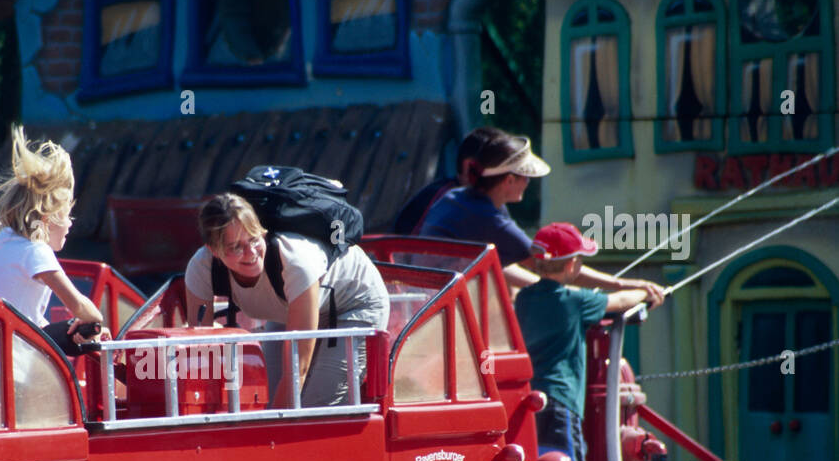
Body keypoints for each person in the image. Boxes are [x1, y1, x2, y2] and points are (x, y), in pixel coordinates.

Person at [514, 222, 664, 461]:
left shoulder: (524, 299)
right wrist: (644, 290)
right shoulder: (573, 300)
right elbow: (618, 303)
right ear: (572, 265)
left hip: (530, 403)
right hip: (563, 402)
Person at [184, 193, 389, 408]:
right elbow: (201, 352)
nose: (251, 253)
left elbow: (296, 370)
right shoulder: (201, 268)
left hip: (352, 305)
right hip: (289, 308)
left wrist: (271, 438)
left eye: (254, 239)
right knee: (263, 399)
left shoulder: (295, 262)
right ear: (213, 251)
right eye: (236, 247)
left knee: (317, 409)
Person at [419, 132, 666, 303]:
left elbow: (510, 266)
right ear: (509, 180)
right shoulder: (489, 218)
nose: (529, 183)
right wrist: (625, 285)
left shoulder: (463, 198)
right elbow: (554, 265)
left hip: (434, 296)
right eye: (525, 176)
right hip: (443, 302)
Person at [0, 125, 105, 372]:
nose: (70, 225)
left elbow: (28, 322)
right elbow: (81, 306)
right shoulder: (36, 250)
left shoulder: (1, 242)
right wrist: (94, 322)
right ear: (47, 218)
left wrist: (70, 328)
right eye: (67, 216)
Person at [392, 126, 500, 235]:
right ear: (469, 166)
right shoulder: (443, 198)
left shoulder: (484, 202)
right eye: (498, 167)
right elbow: (412, 245)